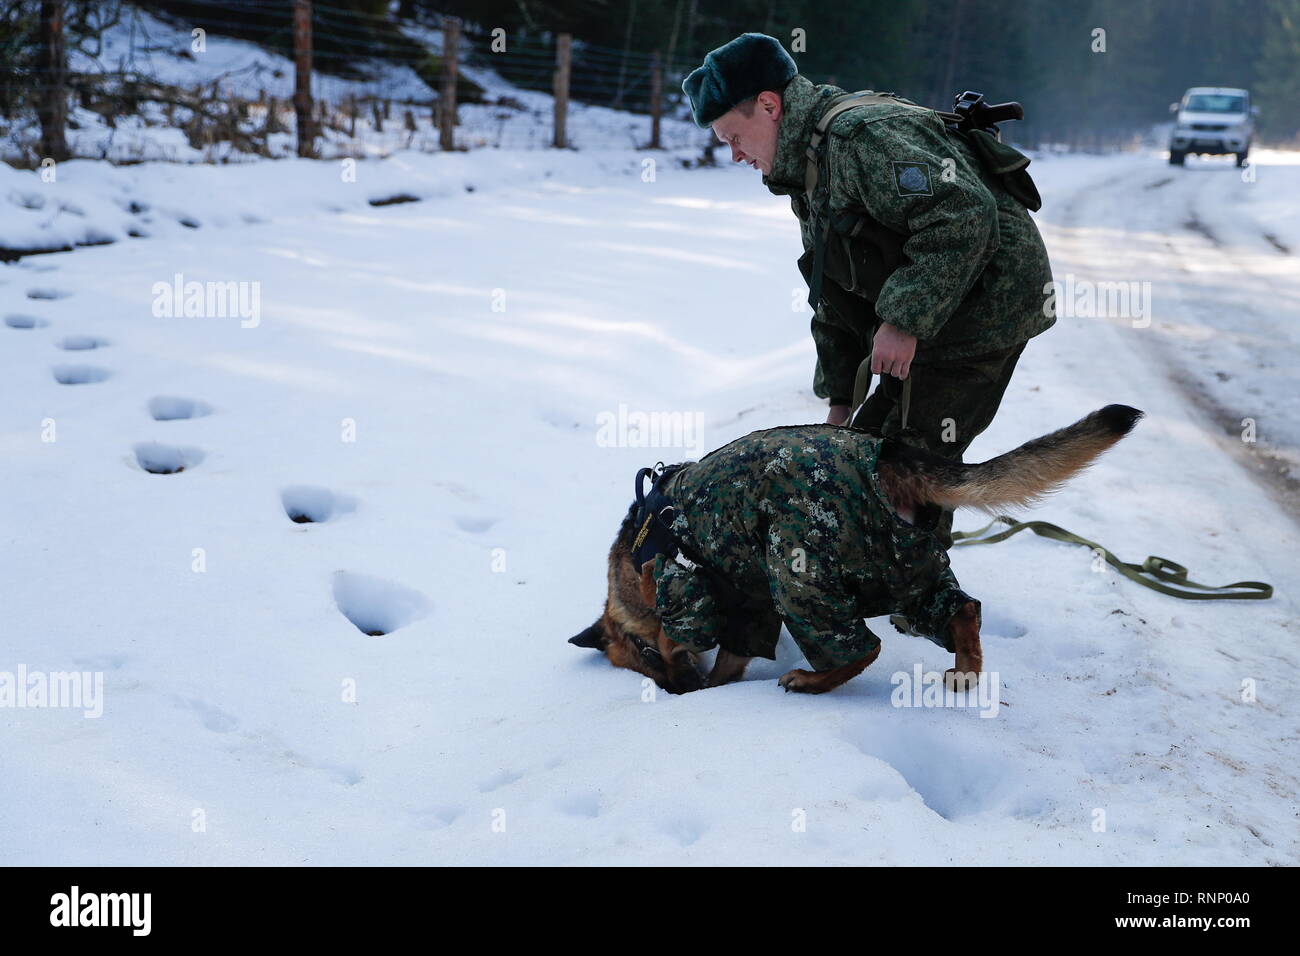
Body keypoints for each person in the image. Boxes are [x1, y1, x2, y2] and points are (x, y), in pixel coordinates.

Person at [682, 32, 1055, 548]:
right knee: (859, 455)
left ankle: (922, 596)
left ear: (769, 106)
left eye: (733, 138)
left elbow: (964, 216)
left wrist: (903, 322)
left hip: (987, 302)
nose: (735, 156)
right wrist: (840, 400)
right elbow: (833, 289)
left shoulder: (860, 140)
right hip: (940, 301)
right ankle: (884, 570)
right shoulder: (808, 167)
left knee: (908, 468)